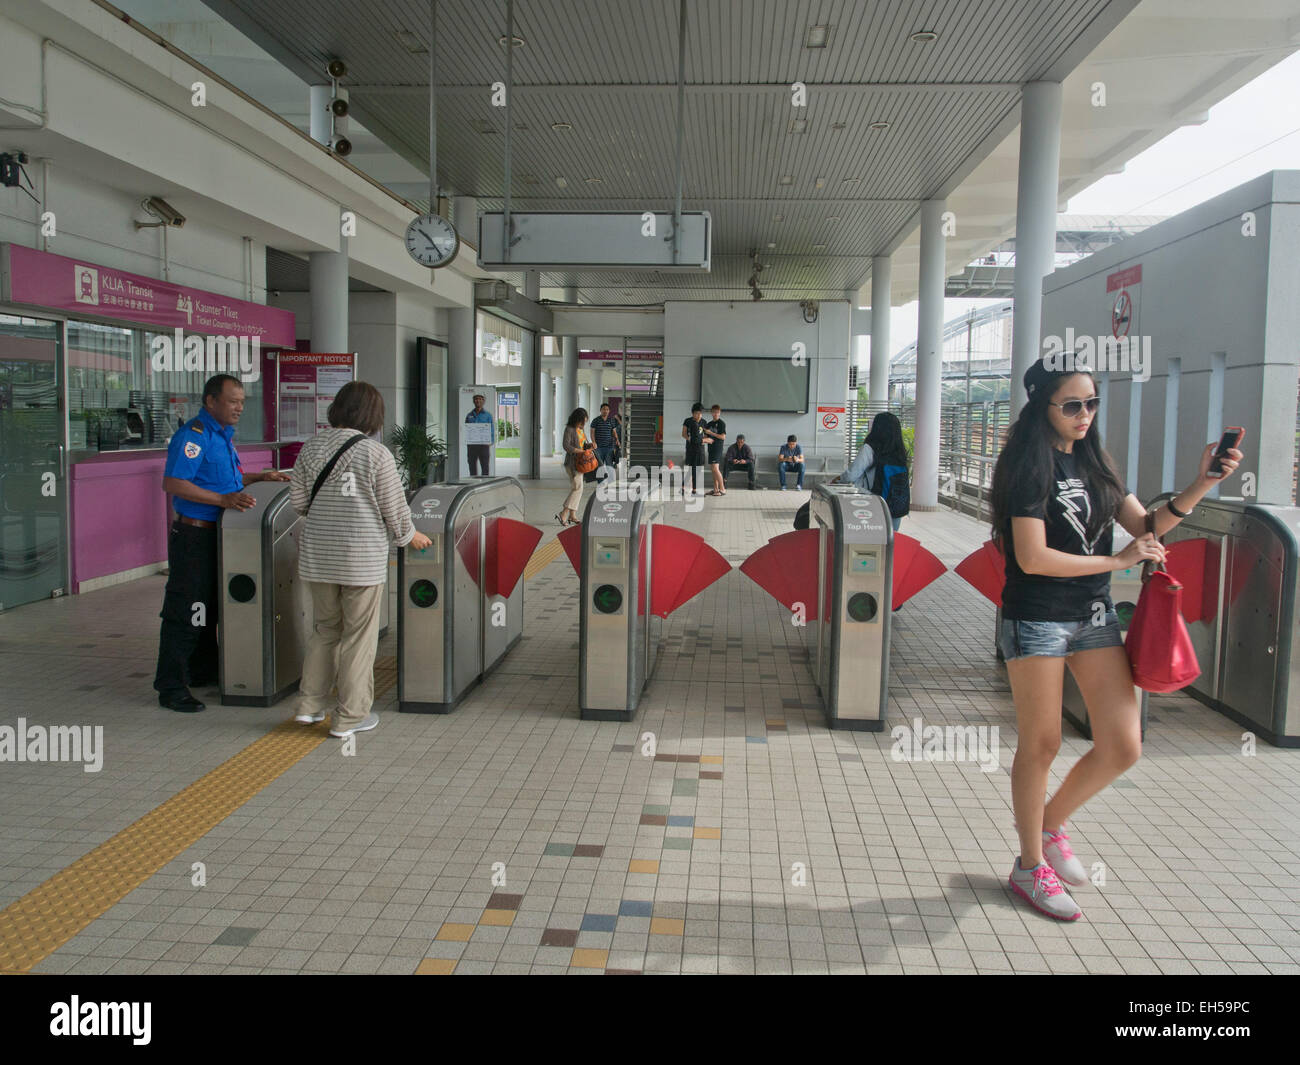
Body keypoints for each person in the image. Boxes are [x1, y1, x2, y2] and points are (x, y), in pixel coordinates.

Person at [991, 358, 1243, 921]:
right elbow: (1031, 558)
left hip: (1093, 617)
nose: (1085, 415)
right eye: (1072, 405)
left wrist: (1202, 482)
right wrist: (1117, 560)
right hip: (1037, 617)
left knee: (1123, 744)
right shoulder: (1025, 469)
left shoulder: (1095, 460)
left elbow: (1145, 526)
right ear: (1043, 408)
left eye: (1092, 403)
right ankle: (1031, 866)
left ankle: (1049, 826)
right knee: (1043, 743)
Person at [289, 382, 431, 739]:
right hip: (360, 559)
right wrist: (409, 536)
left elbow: (299, 503)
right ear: (372, 415)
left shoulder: (311, 447)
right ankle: (350, 717)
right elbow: (394, 508)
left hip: (319, 557)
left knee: (325, 630)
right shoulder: (375, 453)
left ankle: (309, 706)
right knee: (358, 637)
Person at [153, 373, 290, 712]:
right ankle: (171, 686)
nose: (239, 407)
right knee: (187, 610)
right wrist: (223, 500)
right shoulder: (194, 436)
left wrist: (259, 477)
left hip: (220, 534)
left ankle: (201, 670)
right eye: (232, 401)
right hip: (194, 535)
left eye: (242, 401)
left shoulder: (222, 437)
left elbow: (227, 480)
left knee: (212, 606)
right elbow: (174, 483)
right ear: (211, 401)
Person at [838, 411, 909, 532]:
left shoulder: (870, 448)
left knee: (871, 541)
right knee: (891, 541)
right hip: (896, 507)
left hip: (872, 505)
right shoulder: (899, 451)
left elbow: (851, 475)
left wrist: (839, 479)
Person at [558, 407, 593, 525]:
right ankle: (564, 513)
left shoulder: (580, 430)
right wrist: (580, 451)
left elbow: (583, 445)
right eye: (582, 421)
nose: (583, 424)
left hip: (582, 463)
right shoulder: (569, 429)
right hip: (573, 464)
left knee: (578, 488)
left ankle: (572, 515)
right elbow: (566, 446)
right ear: (577, 419)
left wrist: (589, 445)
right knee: (577, 488)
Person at [681, 402, 707, 496]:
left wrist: (703, 441)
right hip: (691, 448)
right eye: (696, 413)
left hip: (701, 448)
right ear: (692, 413)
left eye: (700, 413)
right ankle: (694, 491)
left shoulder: (704, 422)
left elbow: (706, 436)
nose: (698, 415)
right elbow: (683, 434)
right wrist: (690, 439)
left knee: (695, 469)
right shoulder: (688, 421)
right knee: (694, 469)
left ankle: (683, 487)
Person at [465, 393, 494, 476]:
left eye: (480, 399)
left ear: (483, 401)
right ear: (473, 401)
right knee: (471, 465)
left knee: (485, 466)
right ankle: (473, 484)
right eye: (476, 399)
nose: (478, 400)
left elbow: (491, 429)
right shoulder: (469, 415)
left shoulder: (488, 415)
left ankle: (485, 485)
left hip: (484, 445)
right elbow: (466, 429)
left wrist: (490, 441)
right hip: (472, 445)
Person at [702, 404, 727, 495]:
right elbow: (706, 437)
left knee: (716, 468)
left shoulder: (721, 423)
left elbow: (723, 437)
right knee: (713, 469)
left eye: (717, 412)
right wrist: (702, 439)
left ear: (719, 413)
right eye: (714, 412)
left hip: (717, 448)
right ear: (711, 413)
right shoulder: (708, 424)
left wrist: (711, 433)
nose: (715, 414)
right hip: (710, 448)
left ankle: (722, 488)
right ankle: (716, 490)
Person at [590, 402, 619, 471]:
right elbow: (592, 433)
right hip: (598, 447)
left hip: (609, 447)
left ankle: (610, 480)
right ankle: (601, 480)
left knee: (609, 464)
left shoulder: (611, 420)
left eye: (607, 409)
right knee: (599, 465)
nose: (605, 411)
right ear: (600, 410)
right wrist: (594, 442)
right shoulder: (595, 420)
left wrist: (617, 440)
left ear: (609, 411)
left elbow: (614, 432)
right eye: (603, 409)